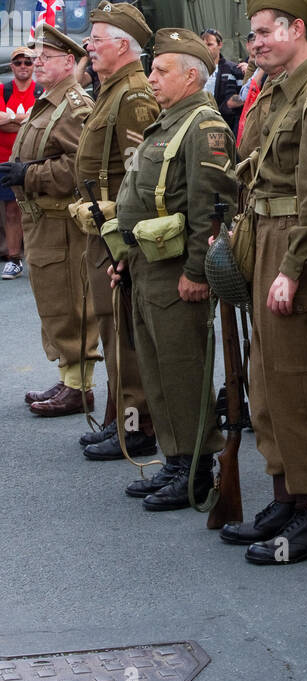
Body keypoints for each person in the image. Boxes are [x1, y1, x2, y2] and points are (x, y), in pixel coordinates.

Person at [219, 0, 307, 562]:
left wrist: (294, 268)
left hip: (294, 245)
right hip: (264, 237)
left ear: (297, 30)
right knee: (268, 383)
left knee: (296, 383)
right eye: (251, 34)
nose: (253, 44)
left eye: (264, 31)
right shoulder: (276, 92)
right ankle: (284, 491)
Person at [113, 29, 237, 510]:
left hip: (175, 270)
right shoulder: (167, 122)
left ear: (192, 75)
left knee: (183, 368)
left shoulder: (203, 125)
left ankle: (196, 468)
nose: (150, 79)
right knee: (158, 366)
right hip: (146, 263)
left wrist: (197, 271)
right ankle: (175, 458)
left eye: (161, 71)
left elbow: (212, 206)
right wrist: (123, 259)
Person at [73, 3, 159, 460]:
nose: (88, 45)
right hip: (101, 227)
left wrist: (122, 228)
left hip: (118, 230)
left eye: (97, 38)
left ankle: (137, 423)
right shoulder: (110, 90)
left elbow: (140, 173)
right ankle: (120, 415)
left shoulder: (134, 97)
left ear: (122, 45)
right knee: (110, 326)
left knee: (124, 328)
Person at [0, 24, 100, 415]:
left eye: (46, 57)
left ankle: (81, 387)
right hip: (42, 221)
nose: (36, 62)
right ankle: (68, 378)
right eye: (35, 56)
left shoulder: (74, 105)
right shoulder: (50, 102)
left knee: (73, 304)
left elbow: (81, 165)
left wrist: (29, 175)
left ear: (69, 63)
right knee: (54, 305)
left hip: (63, 223)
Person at [0, 46, 39, 279]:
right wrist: (24, 120)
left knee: (36, 209)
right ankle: (14, 259)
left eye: (27, 62)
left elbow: (38, 119)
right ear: (11, 66)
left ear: (34, 65)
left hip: (33, 159)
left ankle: (38, 258)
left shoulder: (41, 90)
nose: (23, 66)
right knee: (12, 211)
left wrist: (11, 118)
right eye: (18, 62)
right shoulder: (4, 90)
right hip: (5, 160)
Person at [200, 29, 244, 136]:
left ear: (220, 45)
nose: (206, 48)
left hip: (224, 125)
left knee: (220, 151)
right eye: (203, 45)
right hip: (200, 122)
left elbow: (242, 97)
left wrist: (225, 107)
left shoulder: (232, 68)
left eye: (210, 44)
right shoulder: (195, 69)